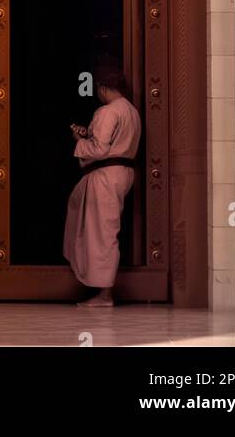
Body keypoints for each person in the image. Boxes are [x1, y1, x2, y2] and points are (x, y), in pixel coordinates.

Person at [63, 68, 141, 307]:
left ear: (104, 88)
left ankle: (104, 295)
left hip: (106, 176)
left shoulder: (107, 111)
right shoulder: (131, 111)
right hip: (122, 173)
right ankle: (102, 292)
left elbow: (99, 150)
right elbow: (111, 142)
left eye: (98, 89)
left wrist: (79, 141)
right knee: (105, 230)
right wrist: (89, 134)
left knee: (102, 234)